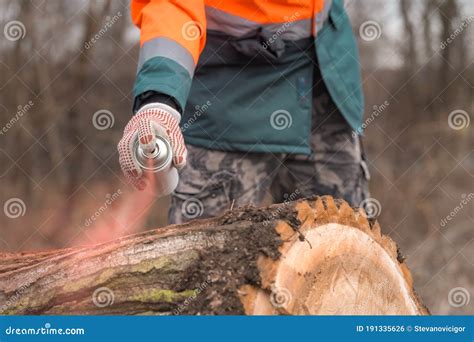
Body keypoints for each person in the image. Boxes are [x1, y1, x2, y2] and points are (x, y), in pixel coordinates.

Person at [118, 0, 370, 224]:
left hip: (323, 70)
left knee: (345, 243)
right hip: (227, 89)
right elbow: (171, 7)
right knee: (209, 258)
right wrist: (160, 99)